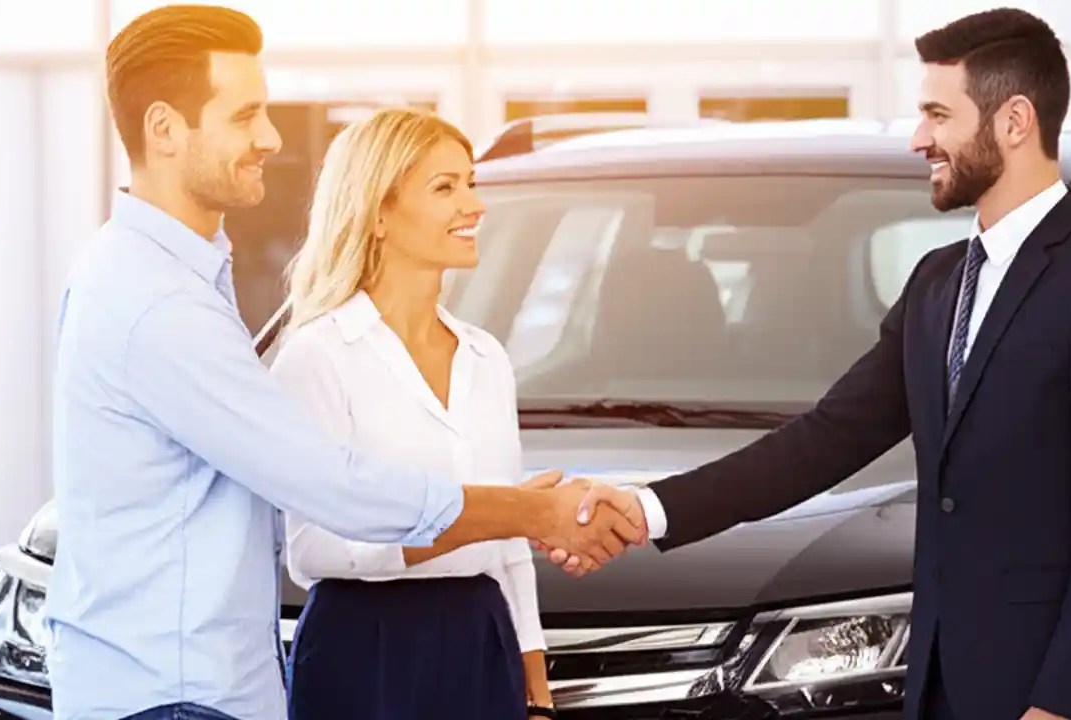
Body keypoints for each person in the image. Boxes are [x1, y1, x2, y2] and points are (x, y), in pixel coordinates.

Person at [551, 8, 1071, 720]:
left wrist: (1059, 707)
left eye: (938, 115)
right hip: (939, 689)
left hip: (1052, 699)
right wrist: (648, 508)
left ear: (1014, 121)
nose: (921, 139)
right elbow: (823, 442)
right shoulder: (938, 285)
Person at [47, 6, 640, 720]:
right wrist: (528, 509)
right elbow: (334, 489)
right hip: (174, 697)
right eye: (246, 116)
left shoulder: (168, 281)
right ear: (165, 130)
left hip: (186, 687)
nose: (269, 138)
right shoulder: (159, 304)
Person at [269, 108, 553, 719]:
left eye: (471, 183)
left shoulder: (486, 358)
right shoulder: (317, 357)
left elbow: (508, 547)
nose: (474, 206)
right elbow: (311, 549)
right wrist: (483, 517)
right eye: (445, 187)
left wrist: (538, 693)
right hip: (364, 649)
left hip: (483, 639)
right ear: (378, 214)